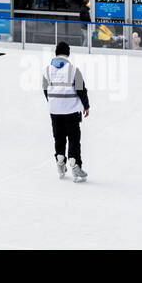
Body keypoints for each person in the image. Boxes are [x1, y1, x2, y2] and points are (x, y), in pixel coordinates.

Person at [42, 42, 90, 182]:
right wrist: (86, 106)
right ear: (68, 54)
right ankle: (75, 163)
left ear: (56, 53)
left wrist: (52, 102)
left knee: (59, 137)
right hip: (71, 111)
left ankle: (60, 160)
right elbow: (81, 90)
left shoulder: (47, 70)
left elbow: (45, 89)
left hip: (54, 110)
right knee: (74, 138)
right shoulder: (74, 70)